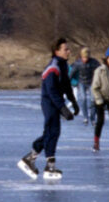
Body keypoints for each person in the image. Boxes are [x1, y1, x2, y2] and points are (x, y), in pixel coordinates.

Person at [18, 37, 76, 181]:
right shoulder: (53, 67)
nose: (69, 51)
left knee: (51, 132)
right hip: (49, 102)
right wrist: (62, 108)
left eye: (68, 48)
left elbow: (66, 85)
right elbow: (51, 91)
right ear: (57, 51)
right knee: (52, 131)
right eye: (65, 49)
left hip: (55, 102)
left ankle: (30, 158)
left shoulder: (63, 65)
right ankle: (49, 166)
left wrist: (73, 101)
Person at [74, 47, 98, 124]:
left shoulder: (93, 62)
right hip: (81, 83)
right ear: (81, 57)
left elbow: (101, 70)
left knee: (93, 99)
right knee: (83, 99)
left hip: (91, 82)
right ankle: (85, 117)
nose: (85, 59)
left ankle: (93, 118)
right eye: (84, 57)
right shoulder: (78, 63)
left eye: (87, 57)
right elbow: (71, 73)